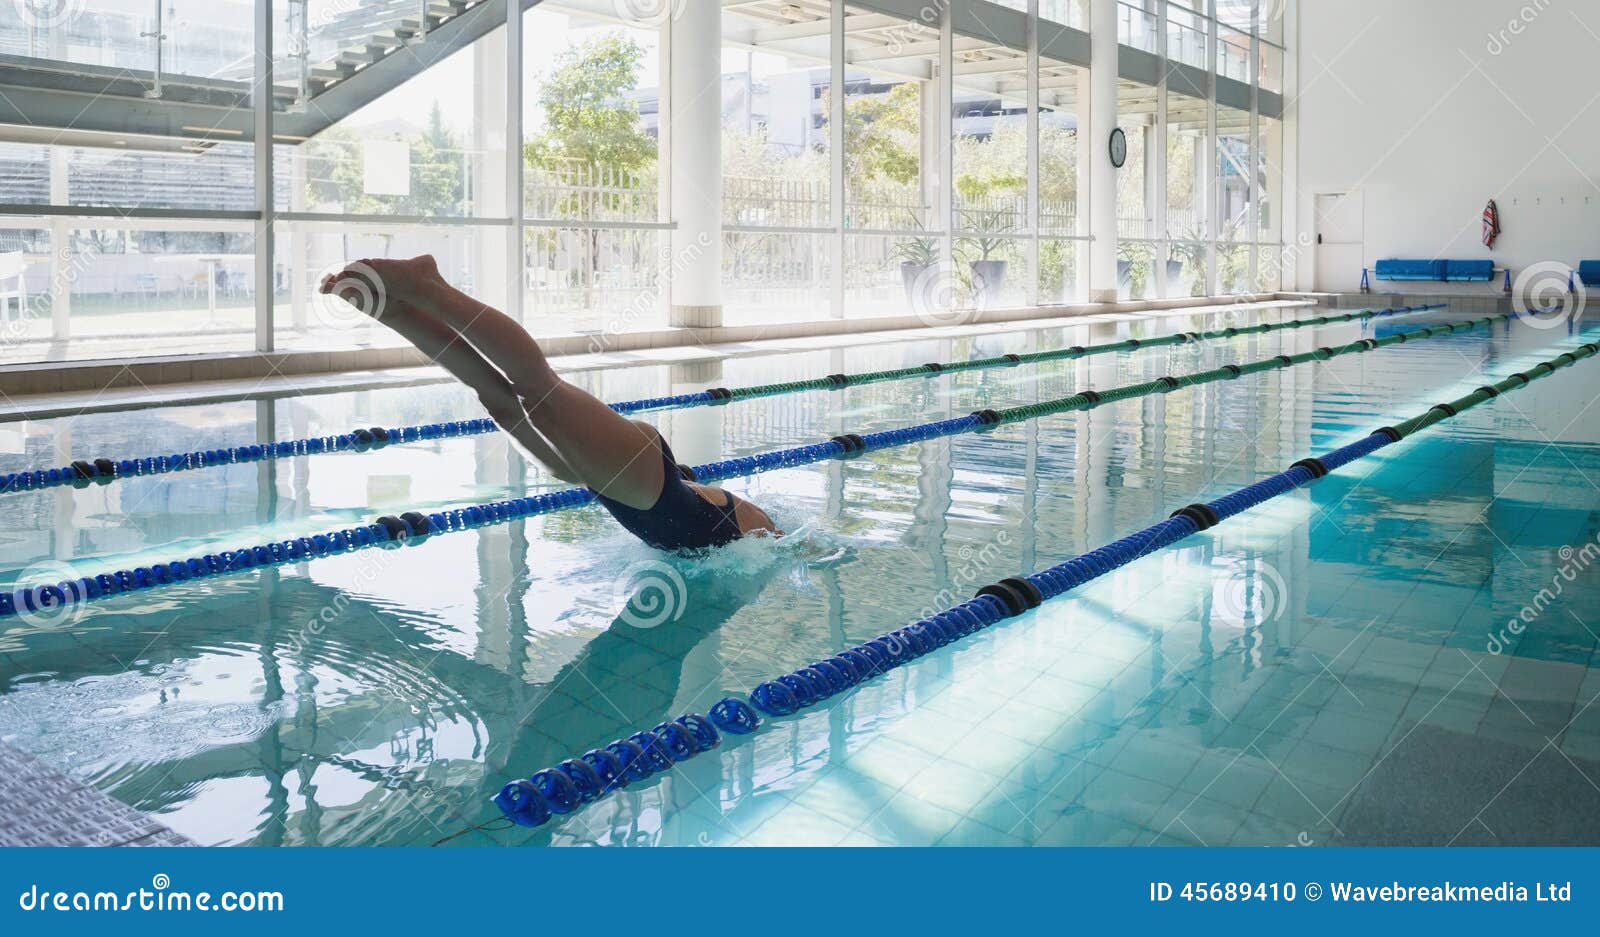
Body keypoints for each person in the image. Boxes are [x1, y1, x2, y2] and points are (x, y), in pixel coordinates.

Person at [321, 255, 778, 552]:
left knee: (498, 399)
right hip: (648, 485)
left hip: (626, 486)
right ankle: (428, 285)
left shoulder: (728, 521)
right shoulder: (767, 533)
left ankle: (393, 310)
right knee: (538, 389)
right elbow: (774, 540)